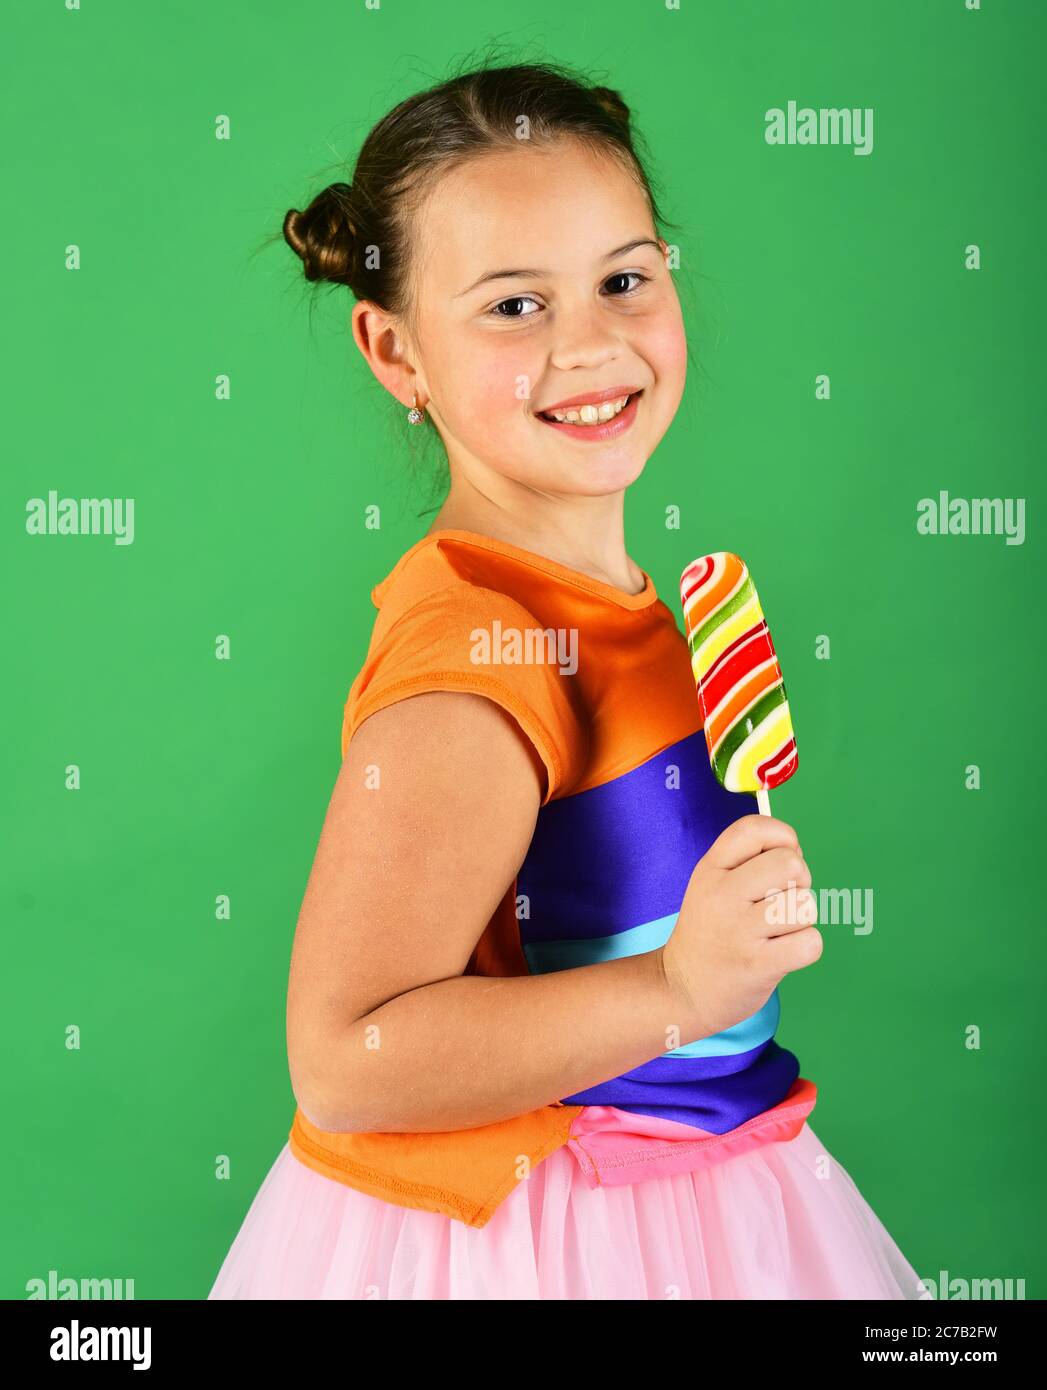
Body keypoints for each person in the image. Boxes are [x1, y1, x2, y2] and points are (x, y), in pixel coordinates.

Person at [209, 56, 922, 1300]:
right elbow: (344, 1058)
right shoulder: (480, 654)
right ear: (396, 351)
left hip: (706, 1180)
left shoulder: (634, 616)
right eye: (513, 307)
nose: (591, 344)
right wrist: (676, 985)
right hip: (539, 1238)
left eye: (624, 280)